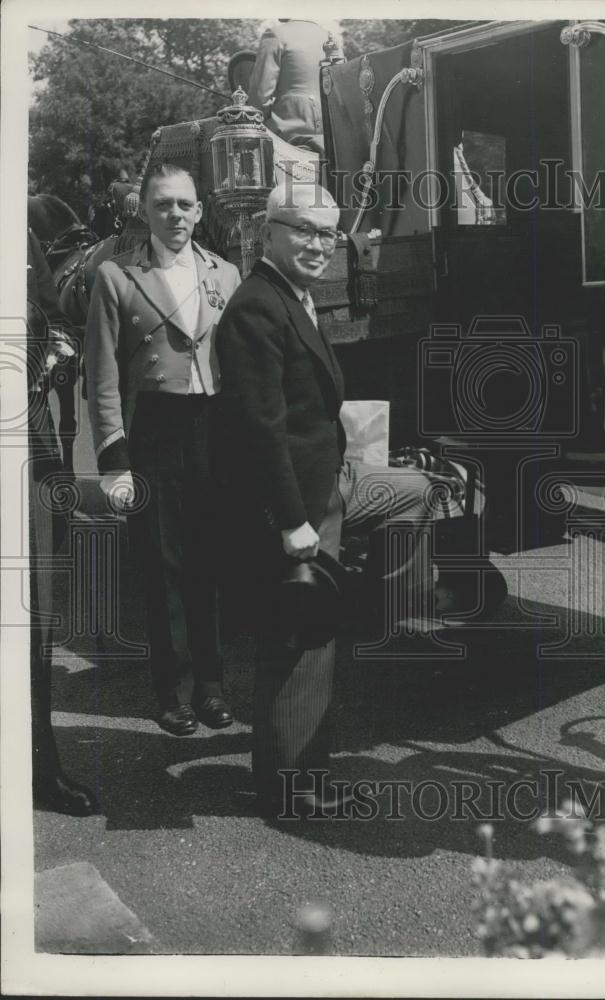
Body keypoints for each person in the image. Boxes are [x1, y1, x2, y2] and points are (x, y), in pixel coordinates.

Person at [216, 182, 446, 817]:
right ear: (267, 233)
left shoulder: (294, 296)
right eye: (304, 229)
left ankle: (397, 620)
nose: (319, 244)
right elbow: (259, 430)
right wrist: (292, 522)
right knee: (301, 640)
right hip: (296, 500)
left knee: (415, 491)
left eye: (328, 232)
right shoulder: (256, 308)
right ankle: (291, 789)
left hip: (328, 481)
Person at [84, 164, 242, 736]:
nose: (175, 215)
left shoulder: (226, 273)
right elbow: (102, 376)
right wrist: (115, 460)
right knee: (163, 563)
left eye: (184, 204)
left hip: (212, 428)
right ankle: (172, 692)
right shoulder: (117, 276)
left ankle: (212, 688)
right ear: (145, 211)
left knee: (209, 560)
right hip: (153, 428)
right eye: (163, 205)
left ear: (200, 210)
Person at [27, 229, 97, 815]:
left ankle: (39, 768)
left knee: (33, 620)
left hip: (29, 446)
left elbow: (55, 322)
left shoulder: (18, 235)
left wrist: (53, 352)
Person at [247, 19, 338, 153]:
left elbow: (259, 97)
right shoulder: (331, 39)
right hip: (332, 134)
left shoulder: (275, 35)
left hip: (289, 133)